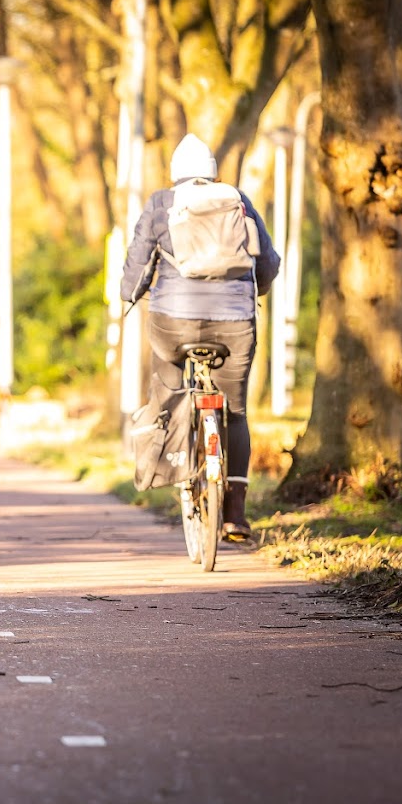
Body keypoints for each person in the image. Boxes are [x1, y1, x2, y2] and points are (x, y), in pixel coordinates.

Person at [121, 133, 280, 539]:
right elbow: (268, 262)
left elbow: (139, 263)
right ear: (212, 173)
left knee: (168, 386)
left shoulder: (161, 203)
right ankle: (235, 515)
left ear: (176, 175)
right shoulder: (239, 200)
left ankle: (173, 458)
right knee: (237, 410)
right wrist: (250, 292)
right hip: (235, 324)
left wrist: (129, 297)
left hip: (174, 321)